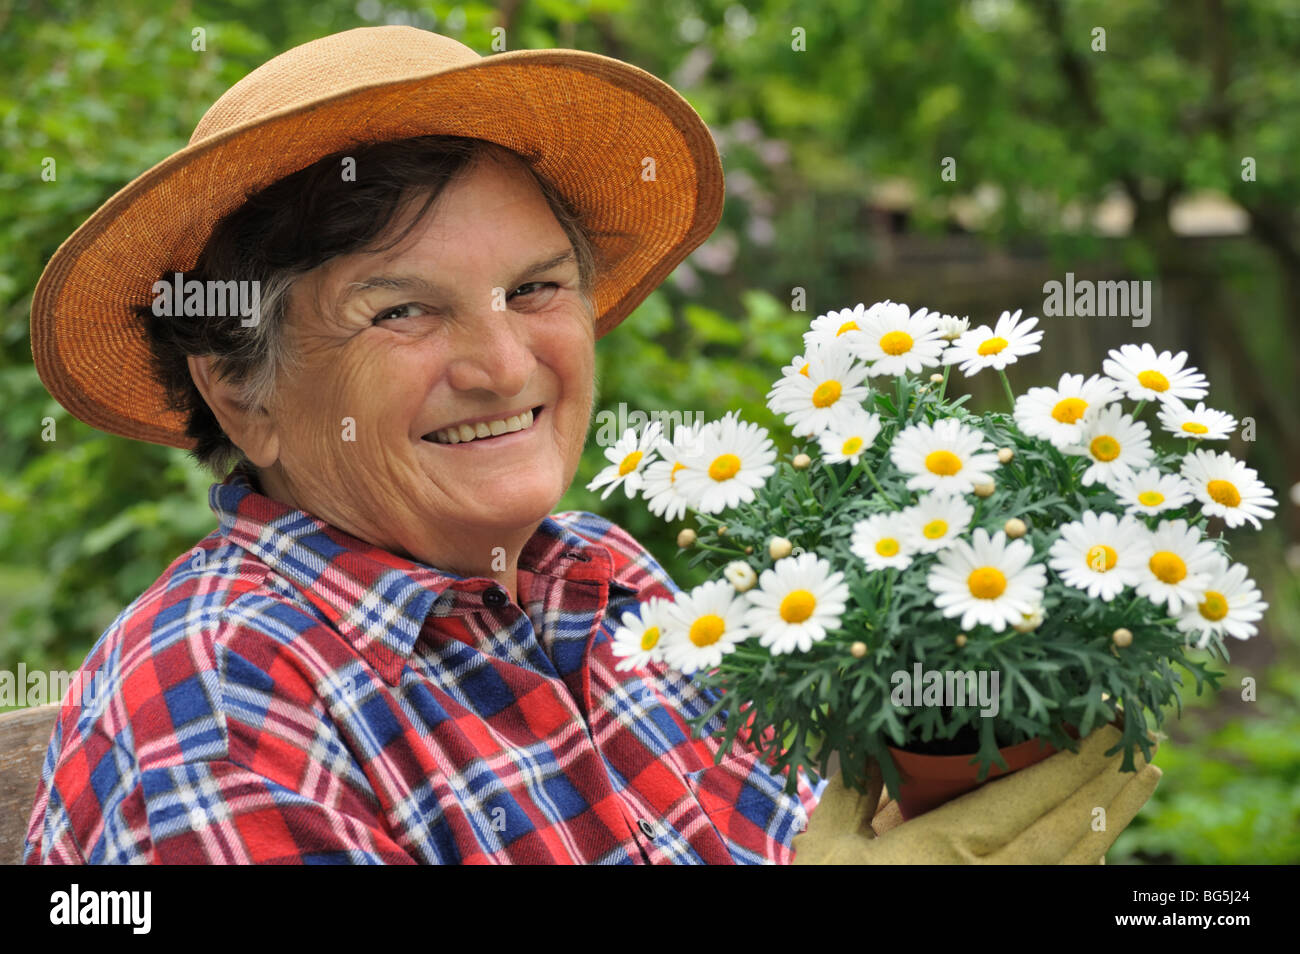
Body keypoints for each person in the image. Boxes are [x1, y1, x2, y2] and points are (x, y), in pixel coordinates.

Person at [24, 25, 1158, 865]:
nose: (506, 367)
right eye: (402, 311)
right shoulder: (223, 695)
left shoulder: (610, 587)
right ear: (239, 392)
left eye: (535, 289)